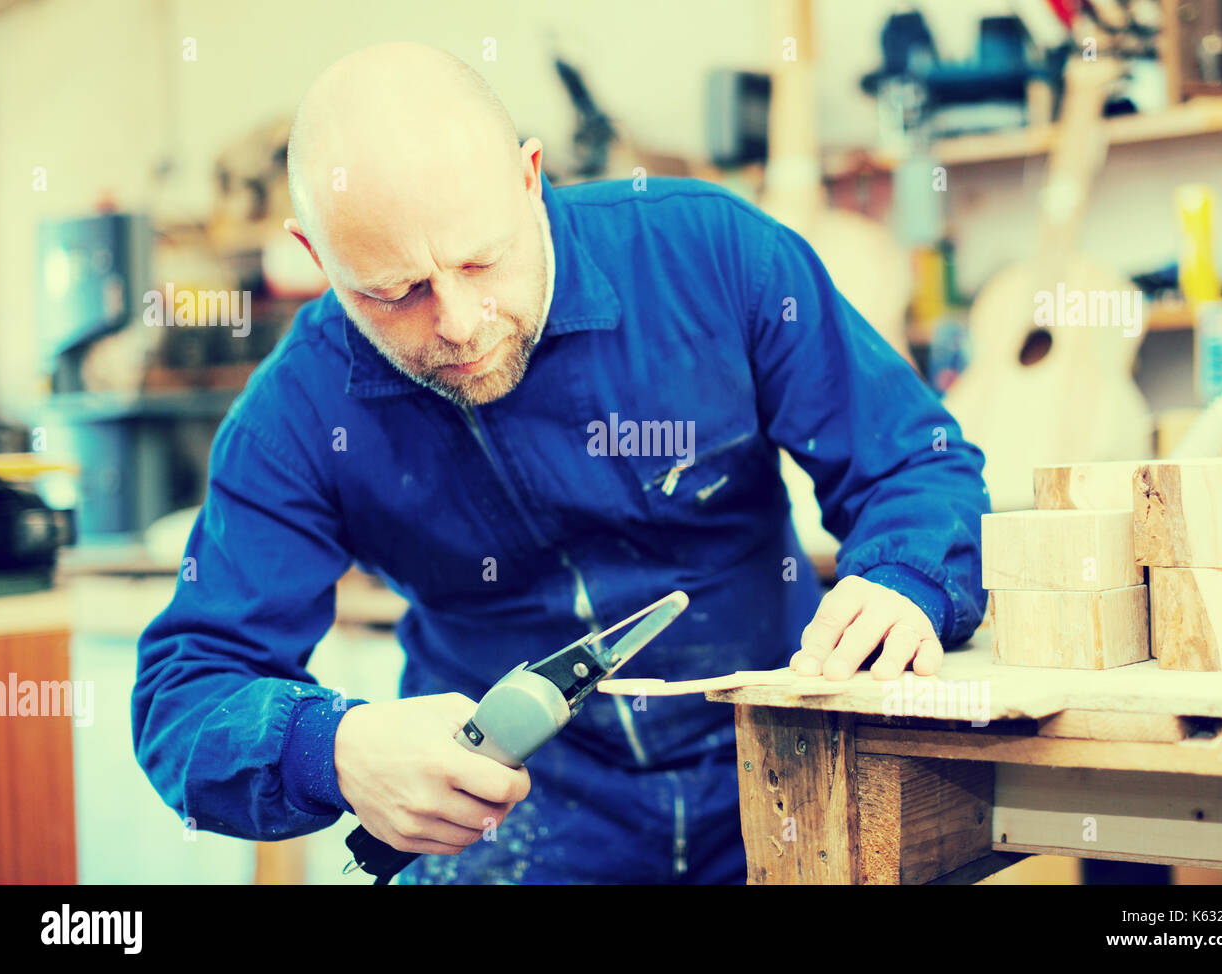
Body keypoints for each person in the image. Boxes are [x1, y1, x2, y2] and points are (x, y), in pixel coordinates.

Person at [132, 42, 989, 884]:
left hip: (783, 777)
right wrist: (334, 749)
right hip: (515, 831)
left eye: (481, 259)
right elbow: (183, 698)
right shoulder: (295, 416)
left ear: (530, 175)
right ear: (316, 258)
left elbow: (917, 463)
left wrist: (906, 578)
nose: (461, 324)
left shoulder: (713, 255)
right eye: (394, 293)